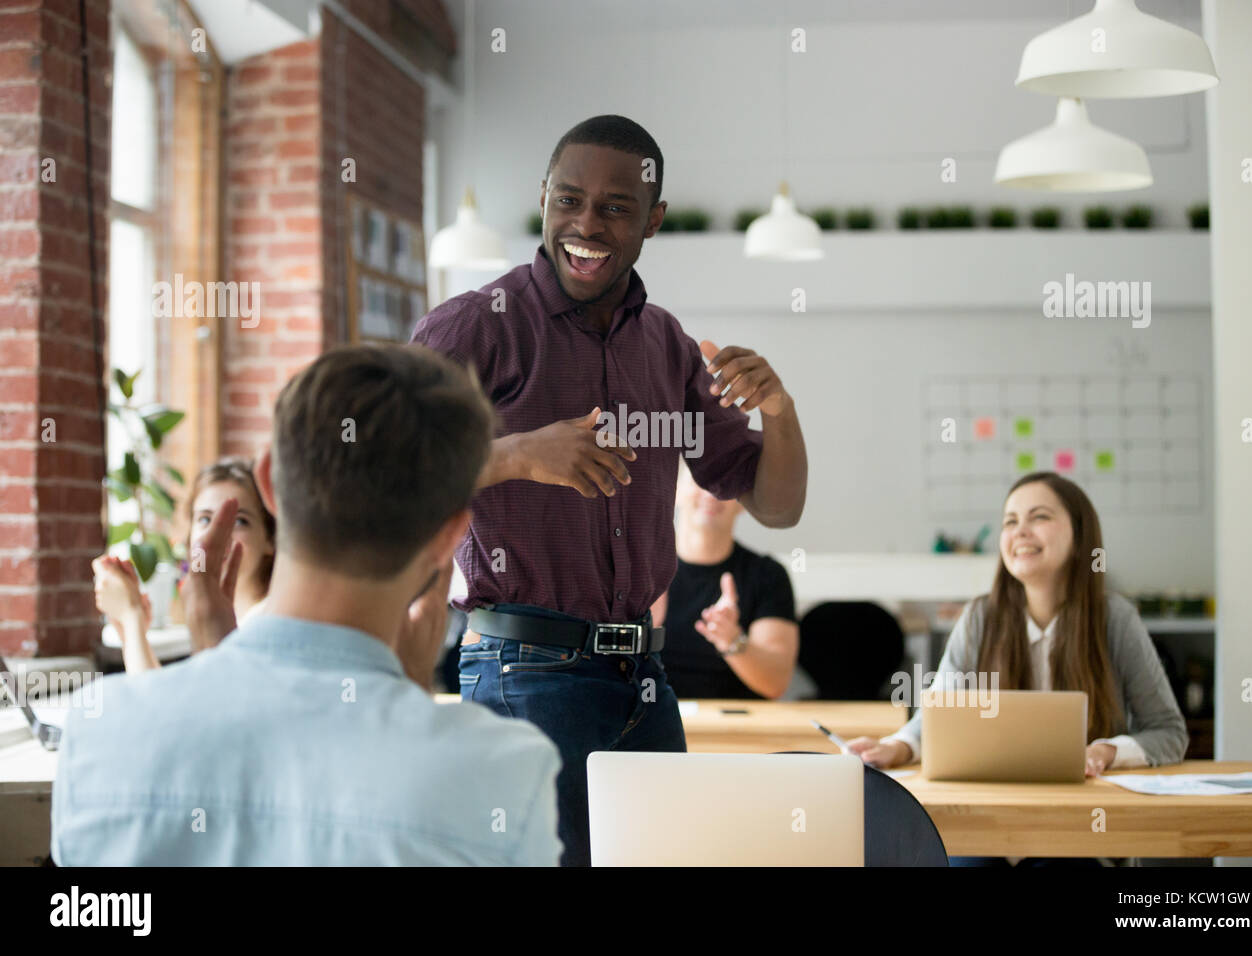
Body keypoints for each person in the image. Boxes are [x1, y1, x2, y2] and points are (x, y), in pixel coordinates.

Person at [411, 115, 808, 865]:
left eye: (615, 207)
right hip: (524, 670)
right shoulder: (474, 328)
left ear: (652, 220)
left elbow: (776, 502)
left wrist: (779, 410)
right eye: (569, 200)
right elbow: (385, 476)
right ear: (543, 199)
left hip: (643, 678)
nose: (586, 224)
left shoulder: (668, 347)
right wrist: (518, 454)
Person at [53, 345, 563, 865]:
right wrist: (406, 695)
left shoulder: (101, 732)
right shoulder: (504, 772)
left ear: (269, 482)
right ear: (450, 536)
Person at [847, 471, 1188, 865]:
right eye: (1010, 521)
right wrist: (897, 746)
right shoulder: (979, 617)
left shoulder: (1114, 619)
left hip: (1077, 832)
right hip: (985, 827)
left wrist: (1108, 751)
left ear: (1080, 536)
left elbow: (1169, 731)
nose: (1020, 531)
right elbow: (939, 715)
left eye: (1039, 517)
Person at [92, 458, 276, 672]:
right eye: (205, 519)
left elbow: (170, 703)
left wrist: (131, 616)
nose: (216, 536)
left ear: (270, 539)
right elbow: (168, 695)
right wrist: (132, 628)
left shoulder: (268, 624)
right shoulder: (214, 616)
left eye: (238, 521)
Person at [650, 462, 798, 699]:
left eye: (726, 485)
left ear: (744, 502)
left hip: (737, 727)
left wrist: (732, 641)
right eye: (700, 481)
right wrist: (640, 633)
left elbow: (775, 683)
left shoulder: (768, 575)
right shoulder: (637, 570)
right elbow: (602, 675)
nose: (712, 494)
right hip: (651, 720)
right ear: (674, 490)